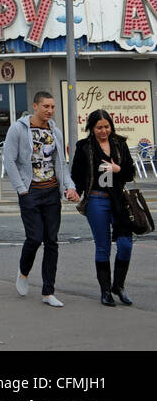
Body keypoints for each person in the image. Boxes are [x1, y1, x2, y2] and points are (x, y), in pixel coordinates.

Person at [5, 90, 79, 307]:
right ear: (35, 106)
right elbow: (9, 160)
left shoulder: (55, 132)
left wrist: (69, 187)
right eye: (46, 106)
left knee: (52, 241)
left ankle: (48, 292)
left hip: (51, 192)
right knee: (34, 238)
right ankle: (24, 272)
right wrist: (21, 189)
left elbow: (61, 164)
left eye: (53, 107)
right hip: (30, 191)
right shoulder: (18, 129)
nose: (50, 110)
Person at [71, 109, 137, 306]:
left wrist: (117, 169)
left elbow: (130, 172)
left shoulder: (119, 143)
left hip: (118, 199)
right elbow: (77, 175)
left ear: (111, 125)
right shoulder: (84, 147)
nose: (103, 131)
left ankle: (119, 286)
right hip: (96, 200)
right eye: (99, 127)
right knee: (103, 246)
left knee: (125, 244)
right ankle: (105, 290)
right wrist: (74, 191)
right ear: (91, 128)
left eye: (106, 127)